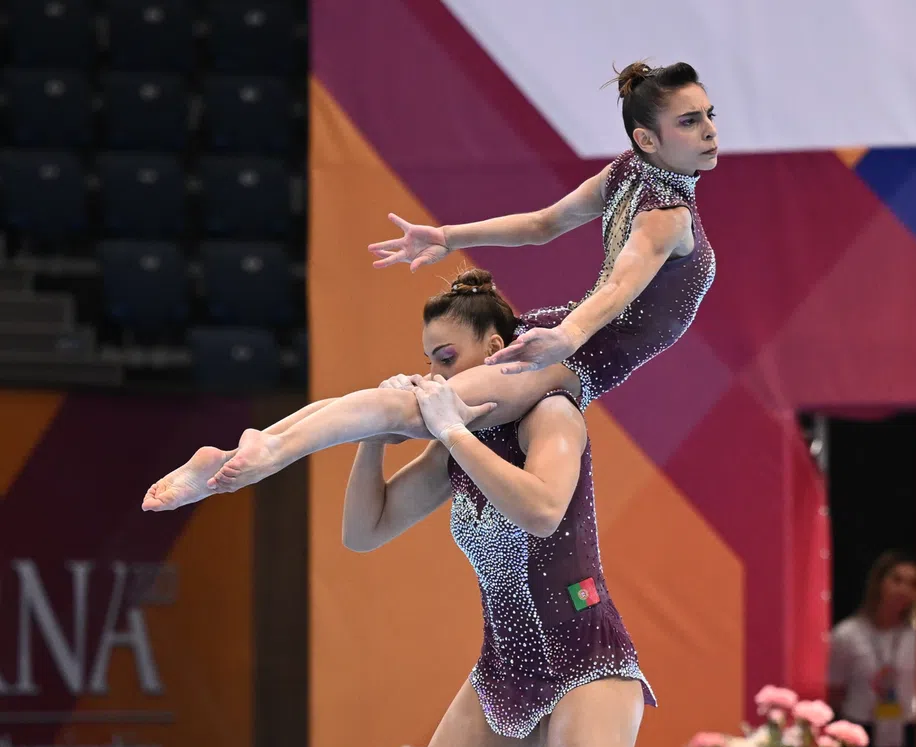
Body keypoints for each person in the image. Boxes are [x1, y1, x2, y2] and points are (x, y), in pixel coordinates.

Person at [141, 59, 718, 512]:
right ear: (647, 139)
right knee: (416, 412)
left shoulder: (628, 174)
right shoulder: (664, 214)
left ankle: (255, 444)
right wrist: (451, 238)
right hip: (574, 359)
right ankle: (268, 451)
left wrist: (451, 236)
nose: (710, 132)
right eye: (690, 122)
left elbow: (548, 230)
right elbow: (617, 283)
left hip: (563, 337)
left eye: (709, 115)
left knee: (408, 406)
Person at [343, 270, 654, 747]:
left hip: (588, 660)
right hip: (505, 666)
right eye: (428, 364)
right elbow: (363, 532)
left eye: (446, 359)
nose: (437, 378)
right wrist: (372, 436)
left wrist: (453, 431)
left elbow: (543, 511)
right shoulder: (452, 451)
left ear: (494, 349)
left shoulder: (550, 414)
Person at [827, 551, 916, 747]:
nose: (903, 589)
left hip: (906, 732)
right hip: (861, 731)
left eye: (912, 584)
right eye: (896, 580)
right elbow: (835, 691)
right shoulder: (847, 634)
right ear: (879, 582)